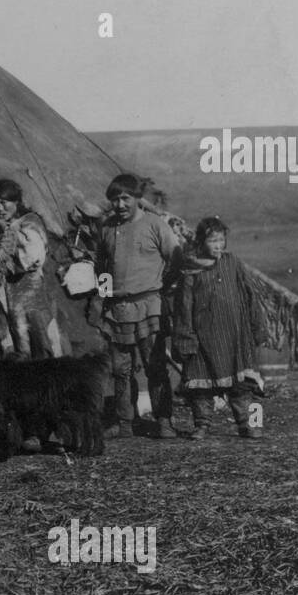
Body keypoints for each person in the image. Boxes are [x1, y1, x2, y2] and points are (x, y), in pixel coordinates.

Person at [96, 173, 181, 438]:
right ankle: (125, 423)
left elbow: (175, 260)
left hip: (149, 304)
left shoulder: (155, 224)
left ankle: (164, 420)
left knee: (154, 365)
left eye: (126, 198)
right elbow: (101, 266)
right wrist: (106, 296)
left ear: (137, 199)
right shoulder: (107, 228)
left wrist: (161, 287)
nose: (120, 205)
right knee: (120, 369)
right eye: (115, 199)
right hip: (118, 308)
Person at [173, 216, 268, 439]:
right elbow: (184, 306)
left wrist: (257, 325)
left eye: (221, 240)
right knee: (200, 384)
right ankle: (202, 425)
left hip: (234, 334)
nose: (217, 245)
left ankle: (247, 423)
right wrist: (185, 336)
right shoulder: (191, 270)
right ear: (201, 242)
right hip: (203, 334)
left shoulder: (232, 262)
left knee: (241, 383)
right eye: (212, 241)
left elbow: (250, 293)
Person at [0, 178, 65, 361]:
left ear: (16, 202)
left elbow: (34, 257)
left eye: (4, 203)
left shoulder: (30, 223)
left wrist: (8, 231)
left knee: (40, 348)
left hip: (30, 299)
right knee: (9, 354)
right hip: (2, 300)